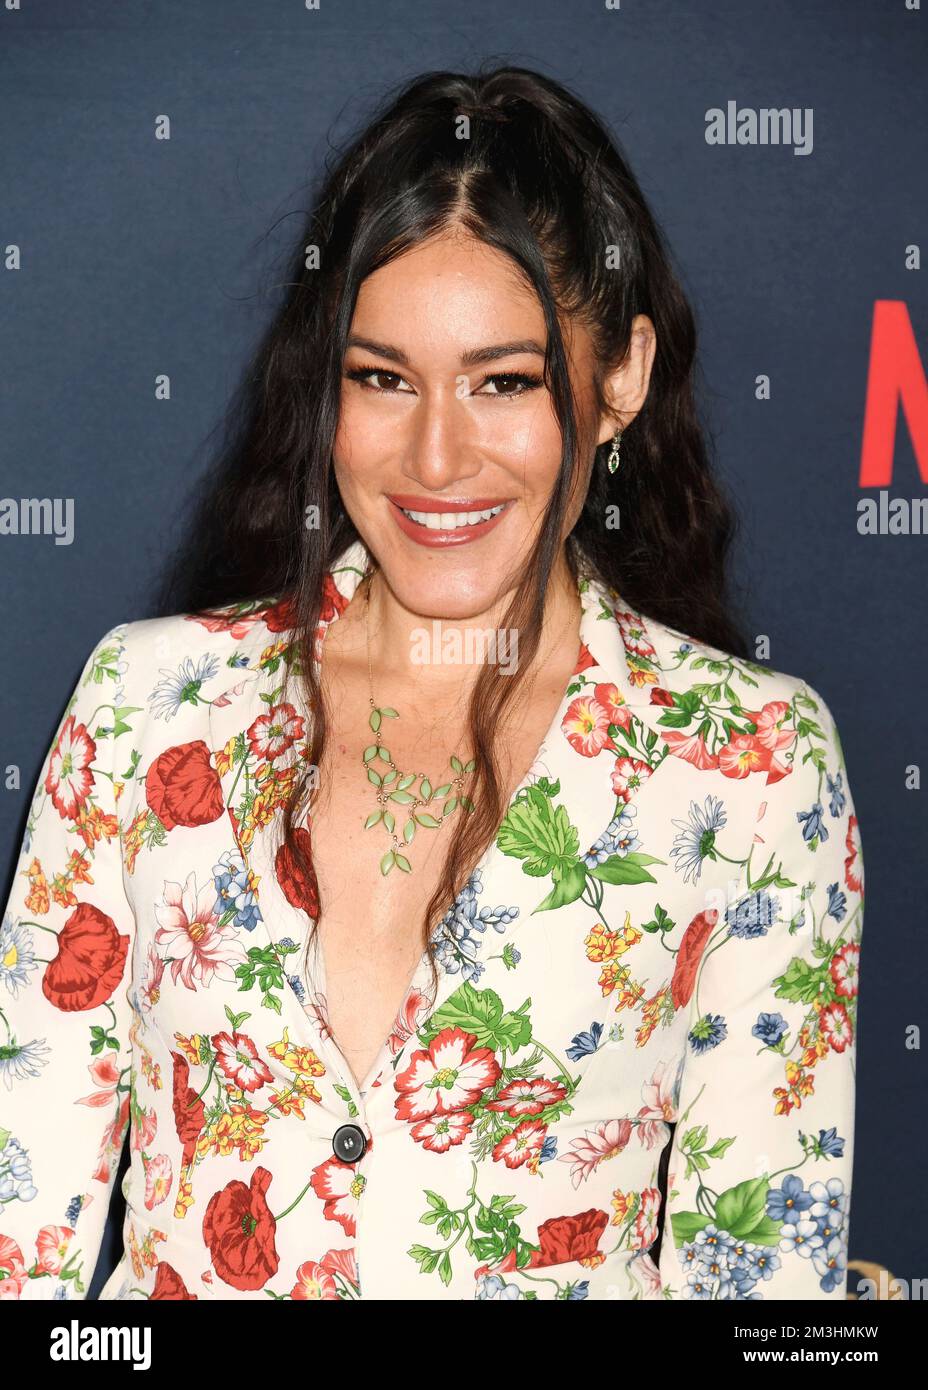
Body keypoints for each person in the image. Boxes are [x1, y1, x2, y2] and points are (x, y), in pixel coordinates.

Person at [0, 65, 863, 1302]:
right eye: (382, 377)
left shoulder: (756, 767)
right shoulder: (148, 708)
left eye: (504, 381)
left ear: (619, 377)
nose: (436, 456)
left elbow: (760, 1290)